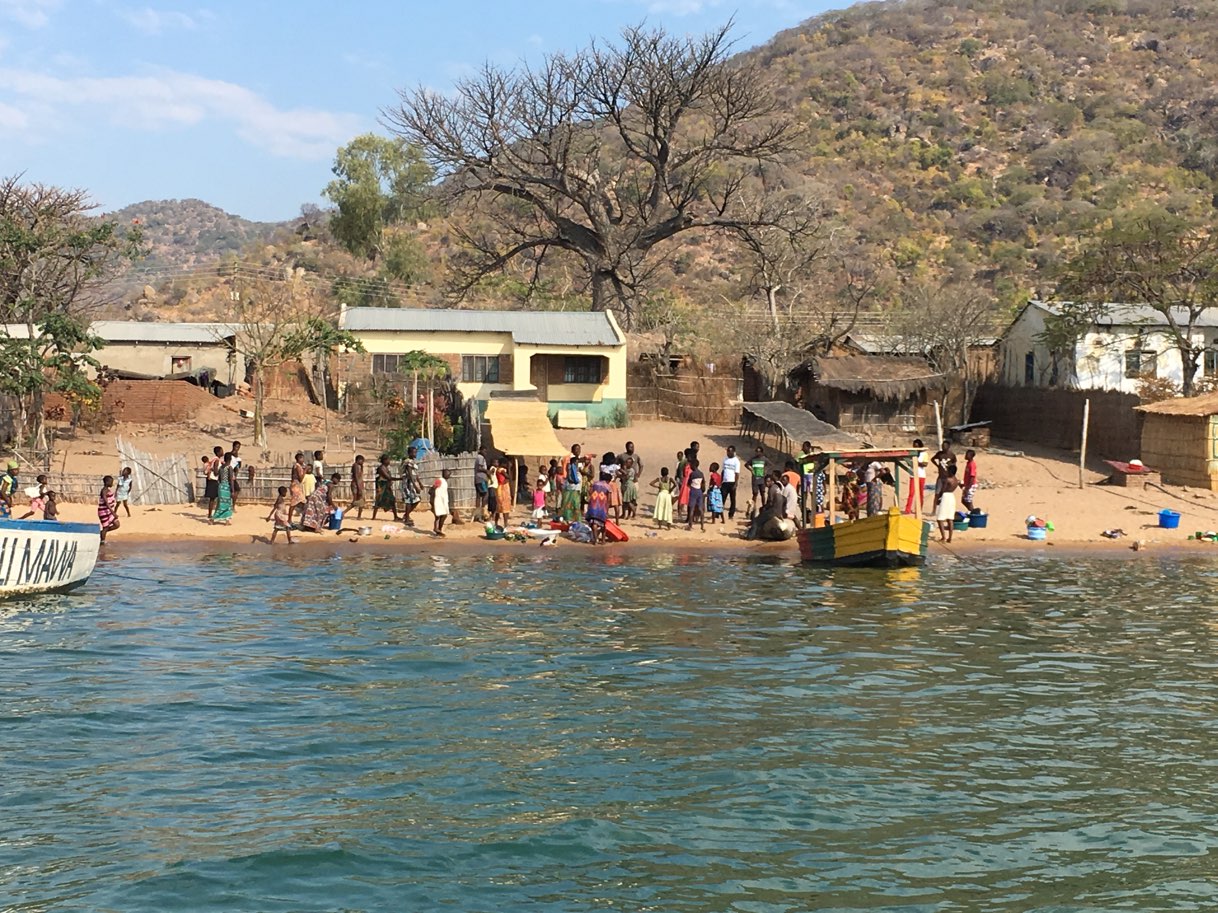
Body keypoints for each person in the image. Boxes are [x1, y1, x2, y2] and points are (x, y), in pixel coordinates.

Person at [934, 469, 962, 543]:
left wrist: (939, 498)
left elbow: (943, 490)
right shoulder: (956, 480)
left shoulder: (947, 479)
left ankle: (943, 537)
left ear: (950, 472)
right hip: (952, 497)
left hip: (946, 496)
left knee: (940, 519)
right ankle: (950, 538)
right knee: (950, 519)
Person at [904, 439, 929, 514]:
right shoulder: (911, 454)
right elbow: (909, 463)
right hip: (913, 475)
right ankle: (907, 509)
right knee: (911, 493)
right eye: (914, 446)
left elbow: (925, 464)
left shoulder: (924, 454)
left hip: (921, 475)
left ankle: (919, 509)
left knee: (920, 493)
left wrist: (916, 462)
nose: (915, 447)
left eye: (917, 446)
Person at [586, 471, 611, 544]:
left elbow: (589, 492)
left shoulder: (594, 484)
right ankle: (603, 540)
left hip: (593, 505)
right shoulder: (607, 486)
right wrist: (607, 509)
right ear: (607, 480)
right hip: (601, 507)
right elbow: (609, 500)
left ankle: (595, 540)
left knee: (594, 523)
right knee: (603, 523)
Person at [560, 444, 584, 522]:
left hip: (576, 485)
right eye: (576, 449)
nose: (578, 451)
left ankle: (573, 518)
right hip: (572, 485)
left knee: (574, 502)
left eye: (579, 449)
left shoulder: (578, 460)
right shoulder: (570, 459)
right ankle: (570, 518)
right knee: (571, 502)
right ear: (572, 450)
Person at [400, 447, 423, 526]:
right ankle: (406, 519)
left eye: (415, 452)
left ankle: (406, 515)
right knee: (409, 500)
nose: (415, 454)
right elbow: (409, 474)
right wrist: (415, 485)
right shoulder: (408, 462)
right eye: (413, 452)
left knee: (417, 499)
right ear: (409, 453)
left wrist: (420, 483)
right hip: (408, 483)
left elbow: (415, 474)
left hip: (412, 483)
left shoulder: (413, 462)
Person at [372, 454, 399, 520]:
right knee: (378, 500)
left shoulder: (385, 468)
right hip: (382, 486)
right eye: (388, 459)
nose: (389, 461)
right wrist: (400, 478)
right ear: (384, 460)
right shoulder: (382, 468)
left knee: (392, 500)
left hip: (386, 486)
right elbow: (388, 477)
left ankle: (395, 517)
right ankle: (373, 517)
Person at [211, 452, 235, 524]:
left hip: (221, 486)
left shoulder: (221, 467)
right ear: (230, 459)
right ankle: (214, 519)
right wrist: (232, 490)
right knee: (227, 503)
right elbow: (231, 479)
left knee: (221, 503)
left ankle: (226, 519)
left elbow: (218, 476)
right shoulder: (229, 467)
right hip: (226, 487)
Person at [685, 458, 706, 532]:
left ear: (693, 465)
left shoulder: (692, 474)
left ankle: (690, 525)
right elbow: (703, 483)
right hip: (699, 491)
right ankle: (702, 526)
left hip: (693, 491)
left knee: (691, 509)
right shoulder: (701, 473)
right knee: (700, 509)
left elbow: (688, 483)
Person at [721, 445, 741, 520]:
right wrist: (721, 481)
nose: (728, 453)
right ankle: (719, 513)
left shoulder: (736, 461)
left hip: (732, 482)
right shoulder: (725, 459)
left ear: (733, 452)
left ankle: (731, 514)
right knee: (722, 498)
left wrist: (735, 483)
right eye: (727, 451)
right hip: (725, 482)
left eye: (730, 451)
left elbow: (737, 473)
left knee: (732, 499)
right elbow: (723, 471)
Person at [98, 475, 120, 544]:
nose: (112, 484)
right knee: (105, 527)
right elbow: (106, 502)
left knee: (117, 524)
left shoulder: (108, 490)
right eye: (111, 482)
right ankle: (102, 542)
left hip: (108, 511)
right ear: (107, 482)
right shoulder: (104, 490)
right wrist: (113, 512)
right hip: (104, 511)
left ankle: (102, 533)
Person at [747, 446, 768, 517]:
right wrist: (751, 470)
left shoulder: (764, 459)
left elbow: (770, 465)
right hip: (755, 479)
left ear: (762, 452)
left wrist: (766, 470)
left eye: (758, 451)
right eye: (756, 451)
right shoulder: (753, 459)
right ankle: (753, 508)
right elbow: (746, 464)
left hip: (762, 478)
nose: (757, 453)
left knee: (763, 493)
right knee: (755, 494)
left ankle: (764, 506)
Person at [431, 468, 451, 537]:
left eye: (449, 474)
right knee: (438, 516)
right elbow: (432, 489)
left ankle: (439, 530)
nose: (448, 475)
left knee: (444, 515)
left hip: (443, 501)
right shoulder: (440, 480)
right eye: (447, 473)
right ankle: (436, 529)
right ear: (444, 474)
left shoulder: (445, 482)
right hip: (438, 500)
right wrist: (432, 500)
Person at [205, 445, 223, 519]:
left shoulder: (214, 459)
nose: (223, 452)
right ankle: (212, 514)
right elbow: (215, 472)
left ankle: (210, 514)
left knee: (212, 499)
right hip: (214, 480)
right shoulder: (217, 460)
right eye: (222, 451)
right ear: (218, 452)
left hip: (211, 480)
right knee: (214, 498)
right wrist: (221, 472)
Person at [290, 452, 308, 522]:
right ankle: (289, 519)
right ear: (299, 458)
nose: (303, 460)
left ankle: (303, 519)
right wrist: (305, 470)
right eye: (302, 458)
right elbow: (301, 478)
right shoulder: (298, 466)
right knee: (294, 503)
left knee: (301, 502)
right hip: (296, 485)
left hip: (295, 485)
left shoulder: (295, 466)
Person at [474, 447, 490, 520]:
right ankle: (483, 513)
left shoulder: (478, 457)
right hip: (481, 478)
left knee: (478, 496)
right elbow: (480, 468)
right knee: (485, 494)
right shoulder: (481, 458)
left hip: (478, 478)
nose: (485, 453)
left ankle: (477, 514)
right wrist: (487, 471)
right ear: (480, 450)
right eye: (484, 451)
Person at [350, 455, 367, 519]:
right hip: (356, 485)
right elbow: (357, 477)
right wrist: (359, 488)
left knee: (361, 500)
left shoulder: (359, 466)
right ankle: (344, 512)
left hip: (359, 485)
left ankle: (359, 516)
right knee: (356, 501)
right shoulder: (356, 466)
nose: (363, 462)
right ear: (358, 460)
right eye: (362, 460)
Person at [230, 440, 243, 506]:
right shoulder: (230, 456)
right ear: (233, 446)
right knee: (236, 490)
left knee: (236, 490)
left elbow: (239, 467)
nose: (237, 449)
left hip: (234, 476)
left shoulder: (237, 458)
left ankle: (232, 505)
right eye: (236, 447)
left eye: (238, 447)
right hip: (230, 475)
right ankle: (232, 505)